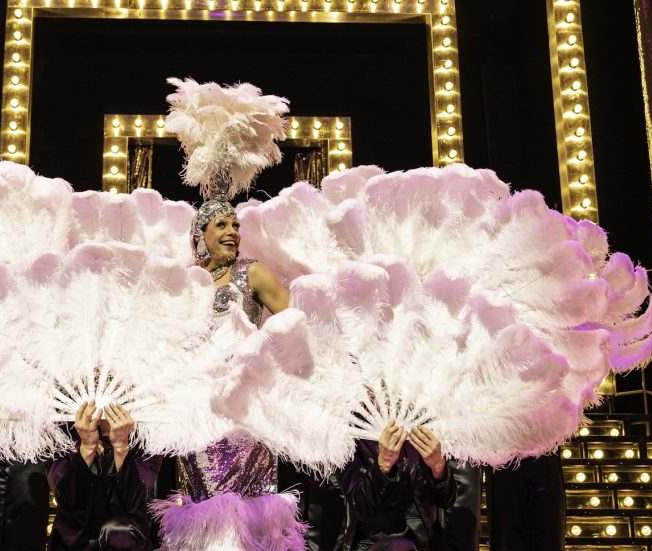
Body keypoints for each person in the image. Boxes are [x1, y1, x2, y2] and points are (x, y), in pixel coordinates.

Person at [153, 194, 304, 550]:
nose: (232, 231)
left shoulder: (251, 272)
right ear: (199, 234)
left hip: (242, 414)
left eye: (235, 225)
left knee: (247, 508)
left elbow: (296, 324)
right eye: (221, 224)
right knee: (204, 505)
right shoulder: (187, 282)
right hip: (198, 412)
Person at [48, 400, 161, 551]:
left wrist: (121, 447)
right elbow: (66, 498)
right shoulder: (59, 429)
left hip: (127, 543)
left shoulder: (148, 434)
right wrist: (87, 449)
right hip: (72, 544)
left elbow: (135, 501)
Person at [340, 422, 457, 551]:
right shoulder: (350, 432)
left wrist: (438, 467)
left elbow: (446, 501)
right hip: (372, 541)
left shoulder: (425, 424)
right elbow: (360, 506)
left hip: (424, 539)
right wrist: (382, 465)